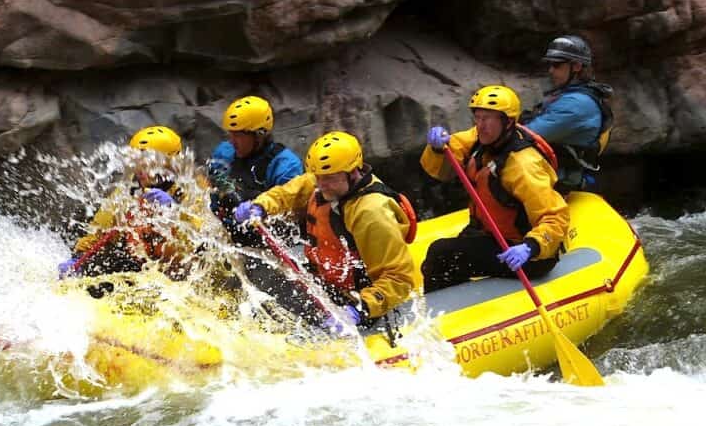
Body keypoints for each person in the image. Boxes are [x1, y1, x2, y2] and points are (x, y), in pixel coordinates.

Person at [232, 131, 417, 330]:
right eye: (318, 177)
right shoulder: (324, 183)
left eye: (329, 178)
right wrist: (261, 206)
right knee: (256, 274)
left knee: (276, 304)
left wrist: (360, 309)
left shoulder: (371, 213)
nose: (321, 185)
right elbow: (288, 193)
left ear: (352, 172)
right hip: (326, 283)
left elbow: (399, 279)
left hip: (358, 301)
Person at [420, 85, 569, 292]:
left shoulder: (523, 165)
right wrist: (438, 148)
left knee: (440, 254)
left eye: (487, 119)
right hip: (490, 234)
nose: (481, 125)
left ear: (508, 122)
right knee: (442, 260)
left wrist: (530, 247)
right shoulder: (483, 137)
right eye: (478, 118)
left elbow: (555, 217)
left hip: (524, 252)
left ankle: (446, 309)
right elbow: (447, 159)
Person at [58, 125, 194, 284]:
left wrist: (175, 212)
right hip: (138, 267)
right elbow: (99, 231)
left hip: (177, 272)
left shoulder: (191, 193)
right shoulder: (127, 194)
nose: (139, 169)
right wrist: (79, 259)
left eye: (147, 162)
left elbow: (198, 243)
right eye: (137, 161)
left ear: (168, 165)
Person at [521, 35, 615, 193]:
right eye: (550, 64)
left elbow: (526, 136)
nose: (551, 70)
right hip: (548, 177)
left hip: (554, 184)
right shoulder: (573, 95)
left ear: (576, 66)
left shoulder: (576, 104)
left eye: (557, 65)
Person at [207, 95, 304, 245]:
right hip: (225, 231)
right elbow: (207, 192)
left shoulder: (286, 166)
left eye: (238, 135)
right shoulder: (224, 153)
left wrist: (259, 209)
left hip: (263, 241)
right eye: (230, 133)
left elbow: (289, 220)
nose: (232, 141)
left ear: (259, 135)